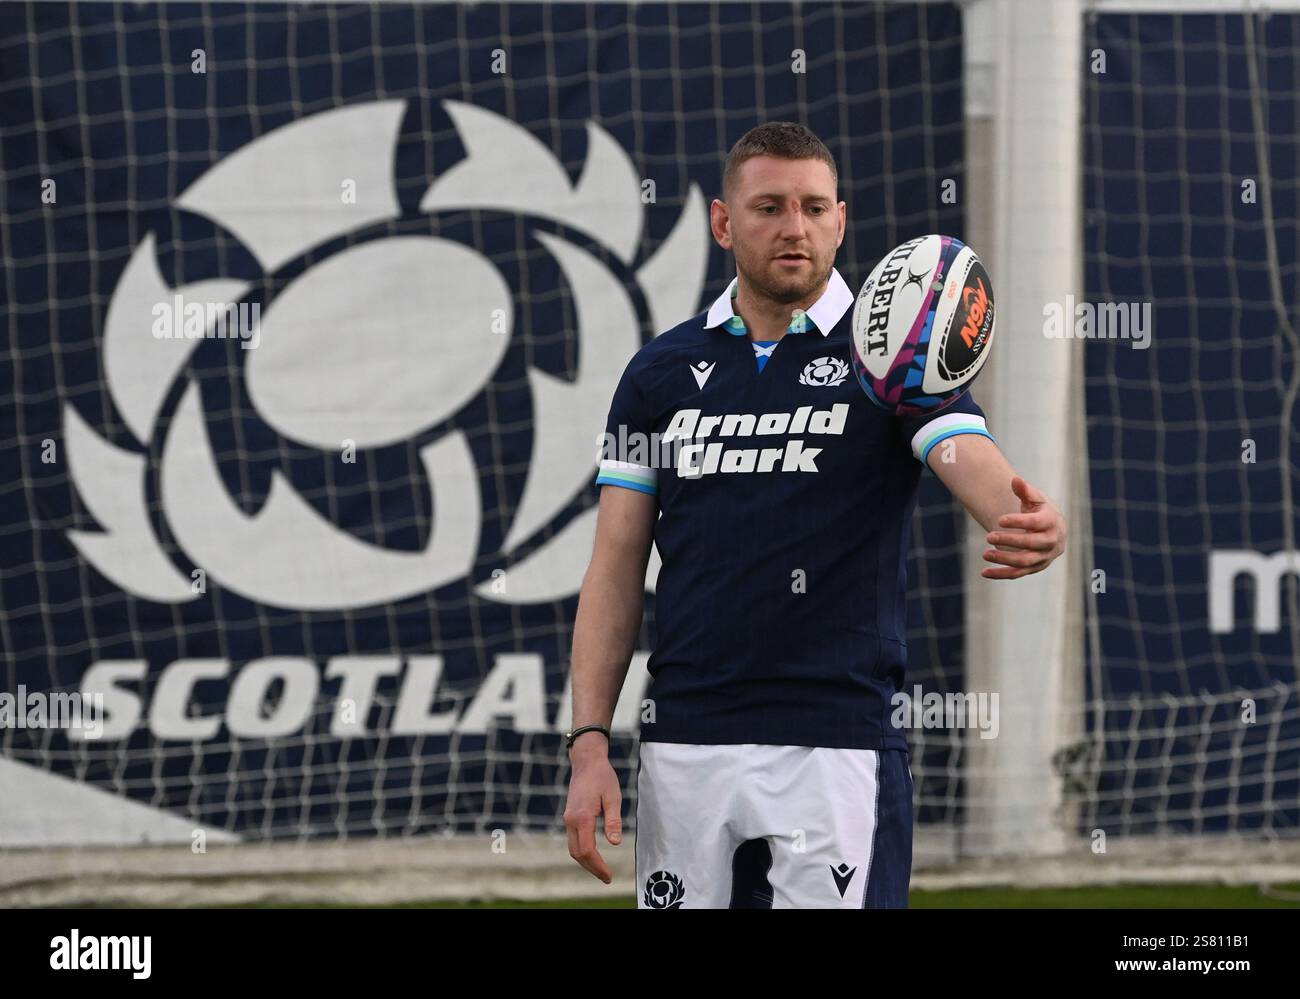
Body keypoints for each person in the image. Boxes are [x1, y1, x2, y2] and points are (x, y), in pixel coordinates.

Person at [563, 122, 1066, 908]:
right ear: (724, 224)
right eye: (768, 207)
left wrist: (1026, 518)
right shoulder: (656, 374)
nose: (794, 227)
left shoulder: (891, 355)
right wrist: (590, 740)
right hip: (686, 741)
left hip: (835, 743)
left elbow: (969, 460)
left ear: (840, 218)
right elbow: (616, 564)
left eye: (813, 206)